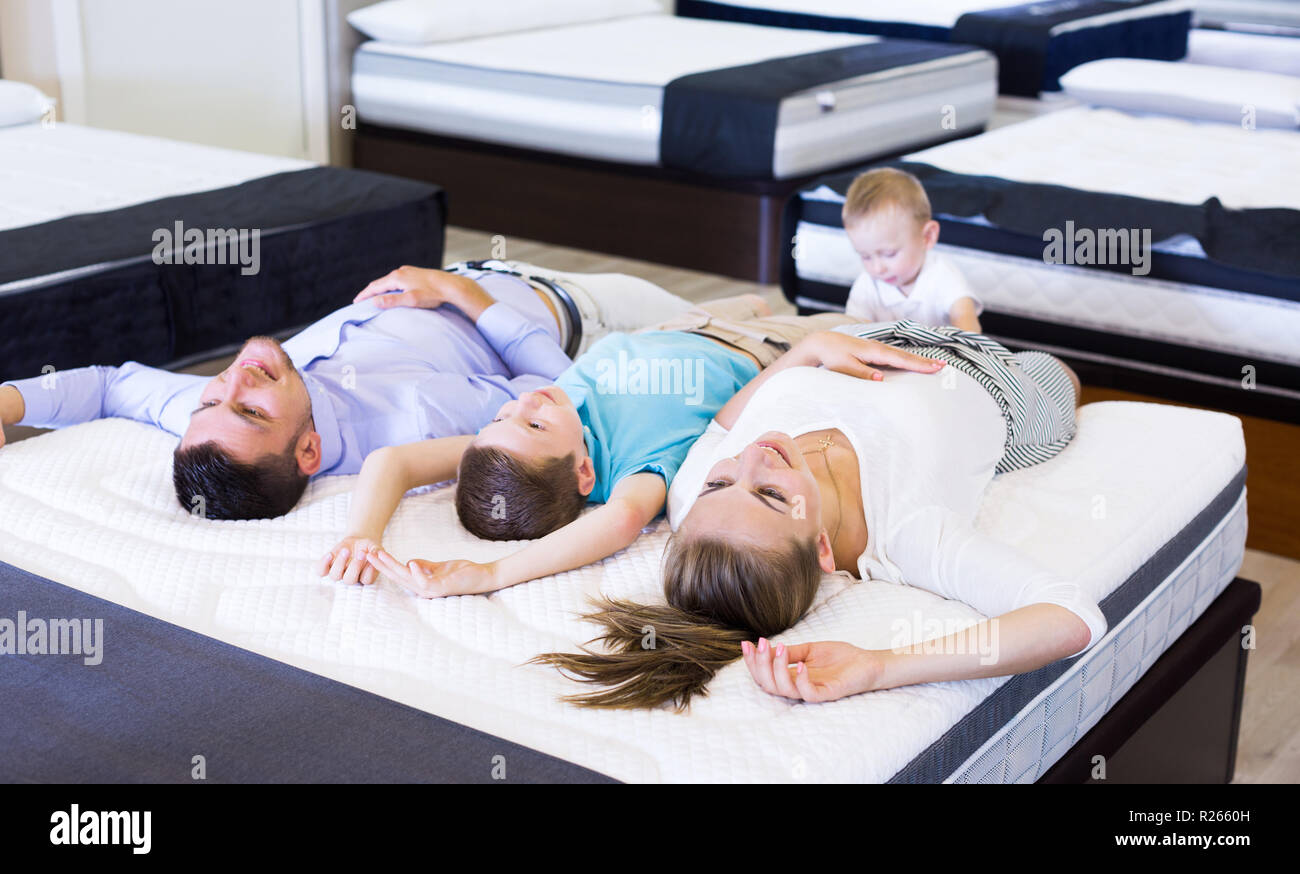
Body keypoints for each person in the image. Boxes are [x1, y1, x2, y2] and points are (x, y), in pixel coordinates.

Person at [534, 319, 1105, 710]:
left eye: (723, 482)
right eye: (773, 496)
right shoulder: (909, 532)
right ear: (824, 551)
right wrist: (879, 666)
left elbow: (723, 427)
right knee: (1065, 371)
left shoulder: (690, 501)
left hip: (866, 337)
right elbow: (1072, 616)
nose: (752, 460)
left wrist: (805, 352)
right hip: (1002, 387)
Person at [320, 301, 945, 592]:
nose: (529, 403)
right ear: (585, 471)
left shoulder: (520, 433)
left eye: (507, 413)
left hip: (682, 323)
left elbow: (393, 461)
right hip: (764, 349)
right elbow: (621, 522)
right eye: (531, 424)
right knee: (889, 324)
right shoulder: (638, 473)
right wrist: (489, 574)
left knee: (766, 294)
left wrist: (361, 535)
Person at [0, 260, 692, 520]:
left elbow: (111, 386)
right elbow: (553, 391)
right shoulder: (415, 423)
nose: (233, 380)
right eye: (250, 406)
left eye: (214, 398)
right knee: (727, 328)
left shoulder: (215, 426)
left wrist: (9, 403)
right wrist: (460, 293)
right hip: (569, 305)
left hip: (471, 274)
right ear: (307, 453)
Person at [842, 168, 982, 332]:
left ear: (927, 237)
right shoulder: (867, 285)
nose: (877, 268)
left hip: (942, 355)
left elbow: (965, 320)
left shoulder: (942, 275)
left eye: (889, 254)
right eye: (865, 256)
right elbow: (855, 332)